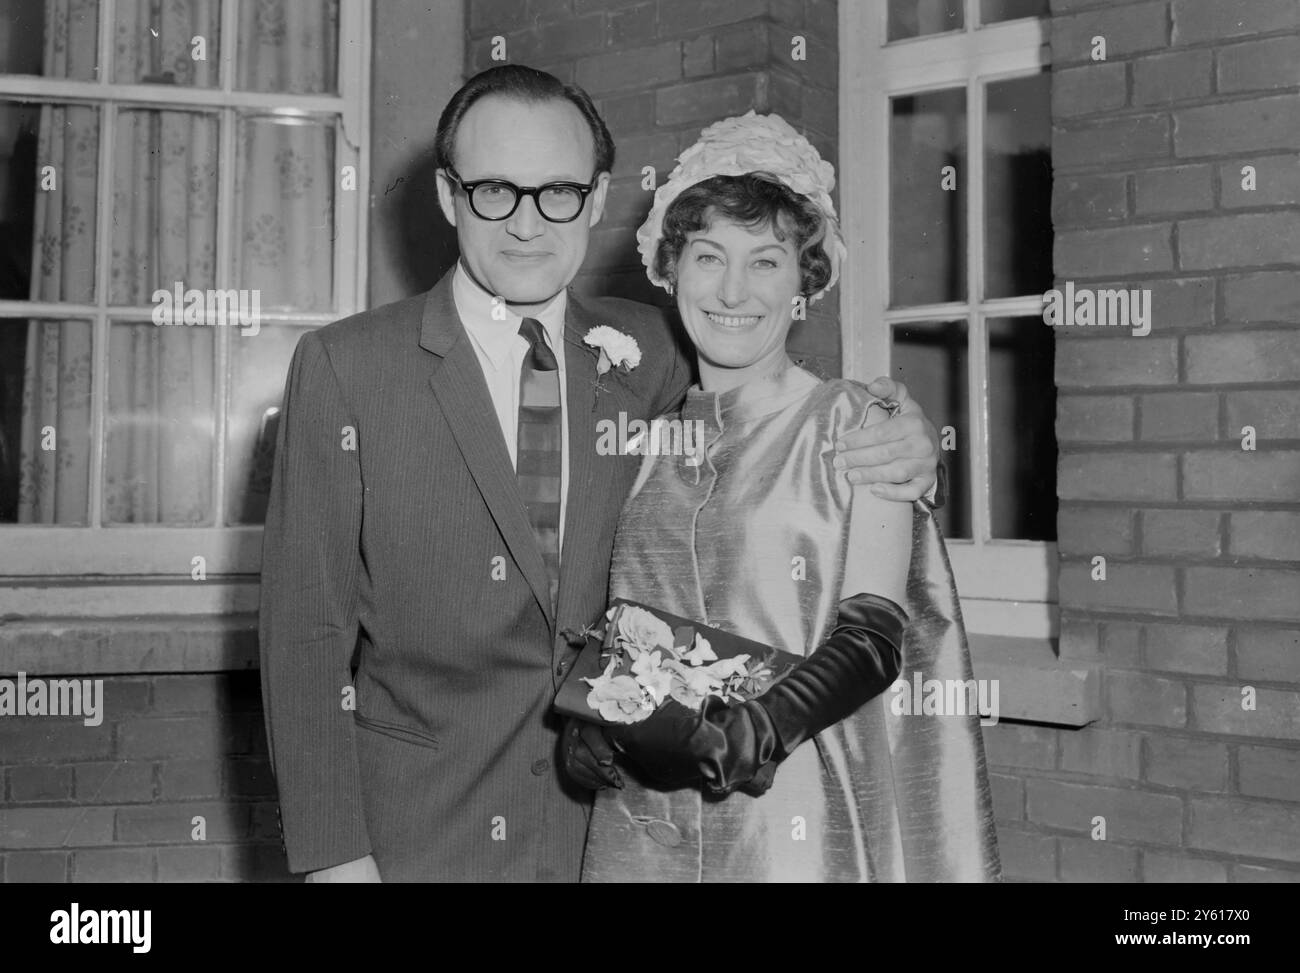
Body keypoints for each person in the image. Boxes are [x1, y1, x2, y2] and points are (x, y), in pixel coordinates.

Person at [258, 66, 942, 883]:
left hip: (620, 833)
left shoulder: (654, 350)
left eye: (556, 192)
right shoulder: (347, 367)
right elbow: (304, 636)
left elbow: (770, 406)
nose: (525, 223)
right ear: (447, 196)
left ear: (596, 196)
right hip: (419, 838)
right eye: (492, 191)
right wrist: (338, 861)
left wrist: (904, 436)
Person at [563, 113, 1000, 882]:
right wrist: (591, 715)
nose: (733, 290)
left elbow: (873, 637)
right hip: (641, 826)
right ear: (671, 269)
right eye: (708, 257)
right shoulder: (640, 443)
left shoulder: (857, 421)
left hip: (791, 817)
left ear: (807, 280)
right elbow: (631, 626)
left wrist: (759, 729)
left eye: (765, 262)